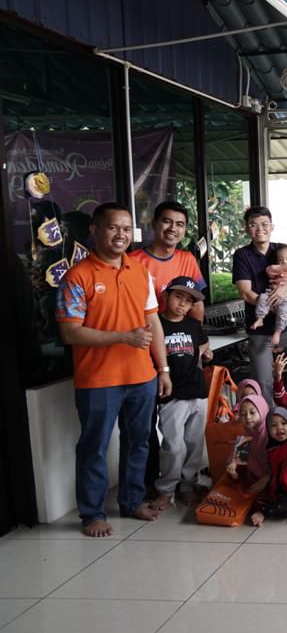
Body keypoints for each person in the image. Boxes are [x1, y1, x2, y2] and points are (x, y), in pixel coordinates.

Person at [56, 204, 173, 537]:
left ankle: (132, 500)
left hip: (142, 377)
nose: (120, 234)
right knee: (94, 447)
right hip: (98, 380)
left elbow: (153, 322)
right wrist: (122, 337)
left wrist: (162, 368)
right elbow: (70, 331)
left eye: (126, 228)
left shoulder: (139, 271)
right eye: (112, 228)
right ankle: (91, 513)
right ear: (95, 230)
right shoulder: (77, 276)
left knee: (140, 443)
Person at [129, 200, 207, 493]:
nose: (172, 229)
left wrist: (198, 342)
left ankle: (181, 483)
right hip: (144, 350)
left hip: (179, 350)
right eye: (167, 222)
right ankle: (153, 485)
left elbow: (197, 306)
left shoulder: (187, 258)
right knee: (149, 426)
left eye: (180, 224)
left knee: (184, 429)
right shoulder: (136, 260)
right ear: (154, 224)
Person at [151, 277, 212, 510]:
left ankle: (188, 485)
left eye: (188, 301)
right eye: (178, 297)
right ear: (166, 296)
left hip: (197, 391)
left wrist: (204, 354)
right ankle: (166, 489)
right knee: (173, 445)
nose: (182, 304)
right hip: (171, 394)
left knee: (194, 444)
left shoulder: (193, 325)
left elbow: (204, 344)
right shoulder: (156, 323)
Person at [232, 206, 287, 400]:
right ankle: (267, 426)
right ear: (247, 229)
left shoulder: (282, 250)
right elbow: (246, 293)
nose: (260, 229)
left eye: (264, 224)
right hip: (260, 329)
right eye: (253, 225)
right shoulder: (242, 255)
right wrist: (275, 308)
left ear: (272, 227)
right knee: (263, 381)